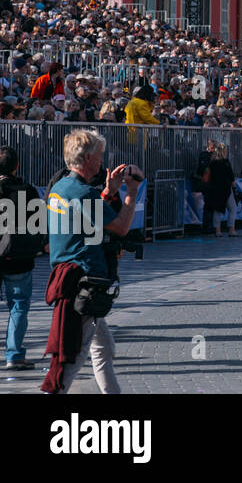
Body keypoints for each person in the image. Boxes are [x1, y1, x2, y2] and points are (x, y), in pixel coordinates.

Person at [42, 129, 143, 394]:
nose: (102, 161)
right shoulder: (83, 192)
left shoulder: (61, 187)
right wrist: (132, 192)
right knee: (71, 358)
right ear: (87, 158)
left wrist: (109, 191)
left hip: (72, 279)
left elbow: (84, 214)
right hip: (84, 283)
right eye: (99, 155)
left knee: (104, 349)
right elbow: (120, 227)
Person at [0, 146, 45, 370]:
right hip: (19, 257)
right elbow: (38, 222)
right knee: (18, 305)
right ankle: (14, 354)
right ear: (17, 166)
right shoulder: (27, 190)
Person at [201, 142, 237, 237]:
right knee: (233, 208)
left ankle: (218, 231)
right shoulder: (226, 162)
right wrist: (234, 186)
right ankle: (231, 229)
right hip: (226, 189)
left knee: (217, 210)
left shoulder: (212, 163)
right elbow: (231, 177)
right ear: (224, 151)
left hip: (215, 189)